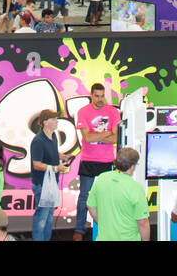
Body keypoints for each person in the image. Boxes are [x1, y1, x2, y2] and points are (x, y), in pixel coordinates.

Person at [74, 82, 120, 241]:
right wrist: (106, 133)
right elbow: (86, 137)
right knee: (84, 197)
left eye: (102, 96)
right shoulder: (83, 112)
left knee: (108, 196)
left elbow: (115, 138)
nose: (100, 99)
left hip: (107, 161)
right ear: (91, 95)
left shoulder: (113, 112)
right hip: (88, 160)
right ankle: (79, 230)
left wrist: (96, 135)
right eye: (97, 96)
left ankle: (107, 226)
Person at [86, 147, 149, 241]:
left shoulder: (101, 178)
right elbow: (143, 222)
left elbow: (90, 206)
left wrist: (104, 225)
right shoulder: (136, 188)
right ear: (132, 167)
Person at [30, 108, 69, 241]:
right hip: (42, 184)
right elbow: (36, 164)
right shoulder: (38, 141)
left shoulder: (52, 136)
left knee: (48, 218)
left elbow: (52, 151)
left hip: (50, 183)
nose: (56, 121)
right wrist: (55, 168)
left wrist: (62, 156)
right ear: (45, 122)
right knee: (42, 218)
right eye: (53, 119)